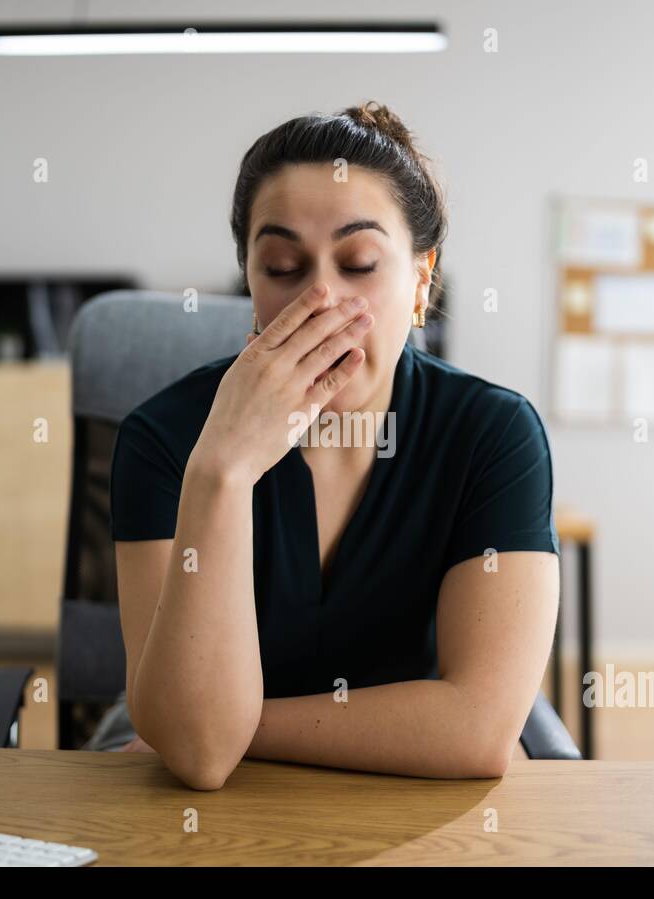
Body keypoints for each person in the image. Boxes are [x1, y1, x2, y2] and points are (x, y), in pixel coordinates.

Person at [100, 101, 560, 789]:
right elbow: (196, 755)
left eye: (360, 262)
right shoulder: (164, 439)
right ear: (250, 285)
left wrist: (236, 726)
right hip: (210, 798)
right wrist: (222, 470)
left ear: (420, 284)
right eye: (283, 266)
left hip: (404, 794)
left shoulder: (492, 435)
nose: (319, 299)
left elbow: (475, 729)